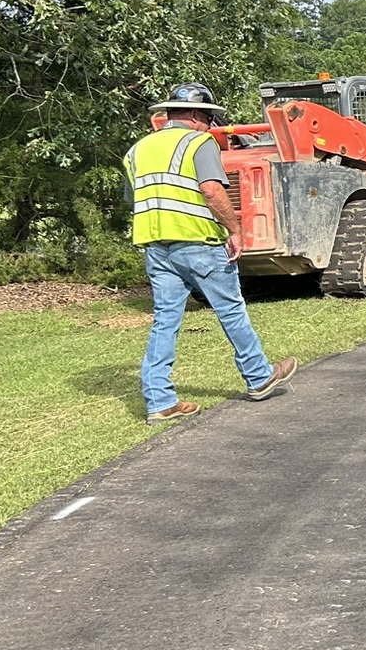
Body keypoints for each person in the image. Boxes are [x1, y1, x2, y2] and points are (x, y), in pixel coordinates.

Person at [126, 84, 297, 421]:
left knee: (165, 321)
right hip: (199, 242)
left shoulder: (137, 150)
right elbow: (211, 190)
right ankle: (259, 376)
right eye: (208, 118)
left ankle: (160, 401)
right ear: (194, 115)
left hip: (156, 245)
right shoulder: (198, 142)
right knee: (230, 310)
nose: (210, 125)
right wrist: (235, 230)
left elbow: (135, 197)